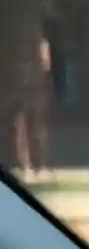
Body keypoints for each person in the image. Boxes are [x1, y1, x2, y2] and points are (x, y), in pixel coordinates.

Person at [4, 37, 53, 181]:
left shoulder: (40, 44)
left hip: (35, 92)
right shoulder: (14, 48)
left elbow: (46, 67)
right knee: (22, 130)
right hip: (19, 93)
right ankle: (26, 167)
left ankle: (40, 166)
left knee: (38, 130)